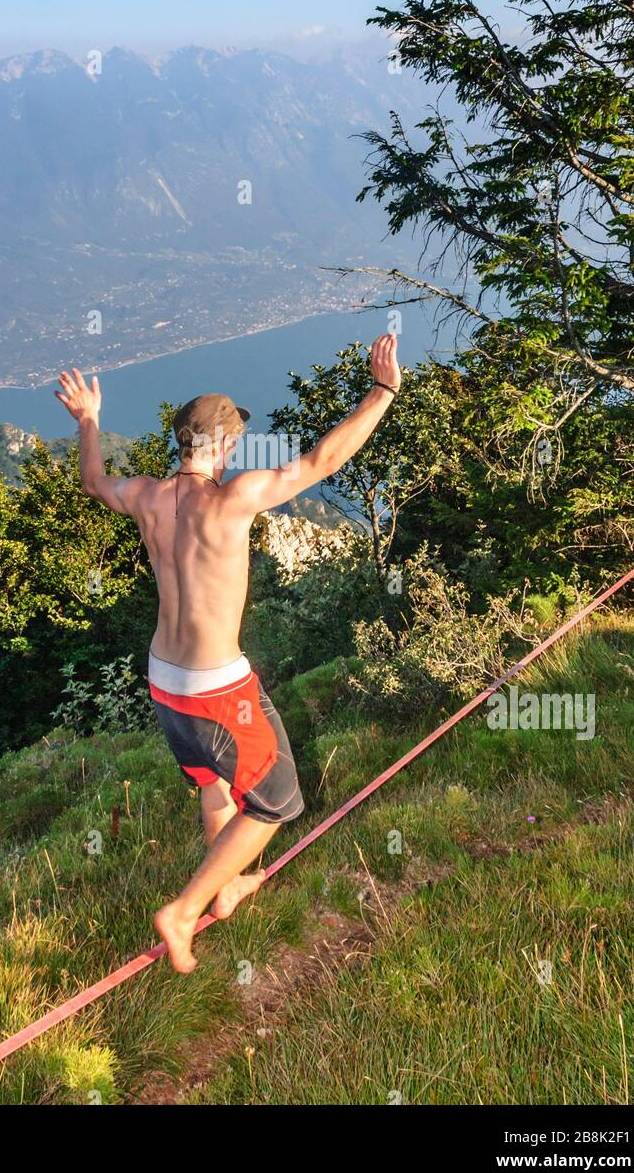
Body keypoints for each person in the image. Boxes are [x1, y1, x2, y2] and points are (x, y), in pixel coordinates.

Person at [55, 333, 401, 972]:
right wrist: (381, 392)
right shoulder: (233, 499)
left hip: (163, 680)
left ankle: (227, 888)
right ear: (221, 445)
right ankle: (183, 910)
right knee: (277, 802)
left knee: (214, 787)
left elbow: (93, 481)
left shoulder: (147, 498)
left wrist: (89, 422)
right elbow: (322, 461)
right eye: (234, 438)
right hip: (217, 687)